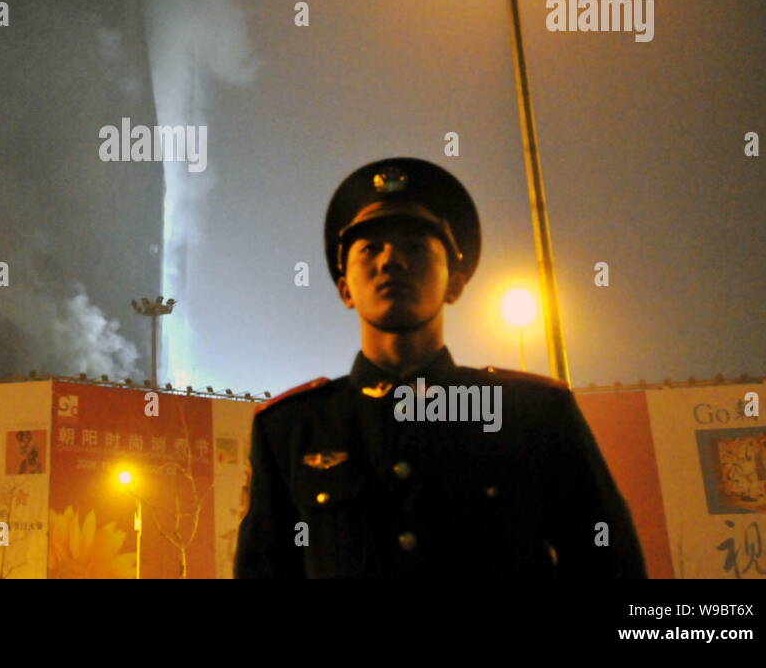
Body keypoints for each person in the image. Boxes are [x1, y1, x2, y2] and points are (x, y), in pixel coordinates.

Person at [234, 157, 646, 578]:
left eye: (415, 246)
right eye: (370, 248)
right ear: (345, 289)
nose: (391, 260)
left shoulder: (533, 412)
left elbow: (610, 563)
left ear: (455, 282)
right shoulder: (290, 430)